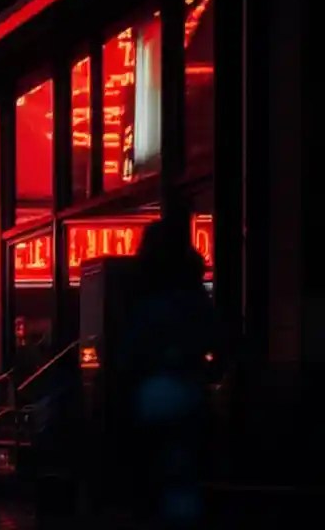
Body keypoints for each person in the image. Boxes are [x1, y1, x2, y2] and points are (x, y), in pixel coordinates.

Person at [124, 219, 219, 529]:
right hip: (190, 389)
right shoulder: (194, 297)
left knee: (155, 472)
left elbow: (131, 349)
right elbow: (216, 338)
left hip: (151, 392)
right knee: (185, 470)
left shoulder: (143, 296)